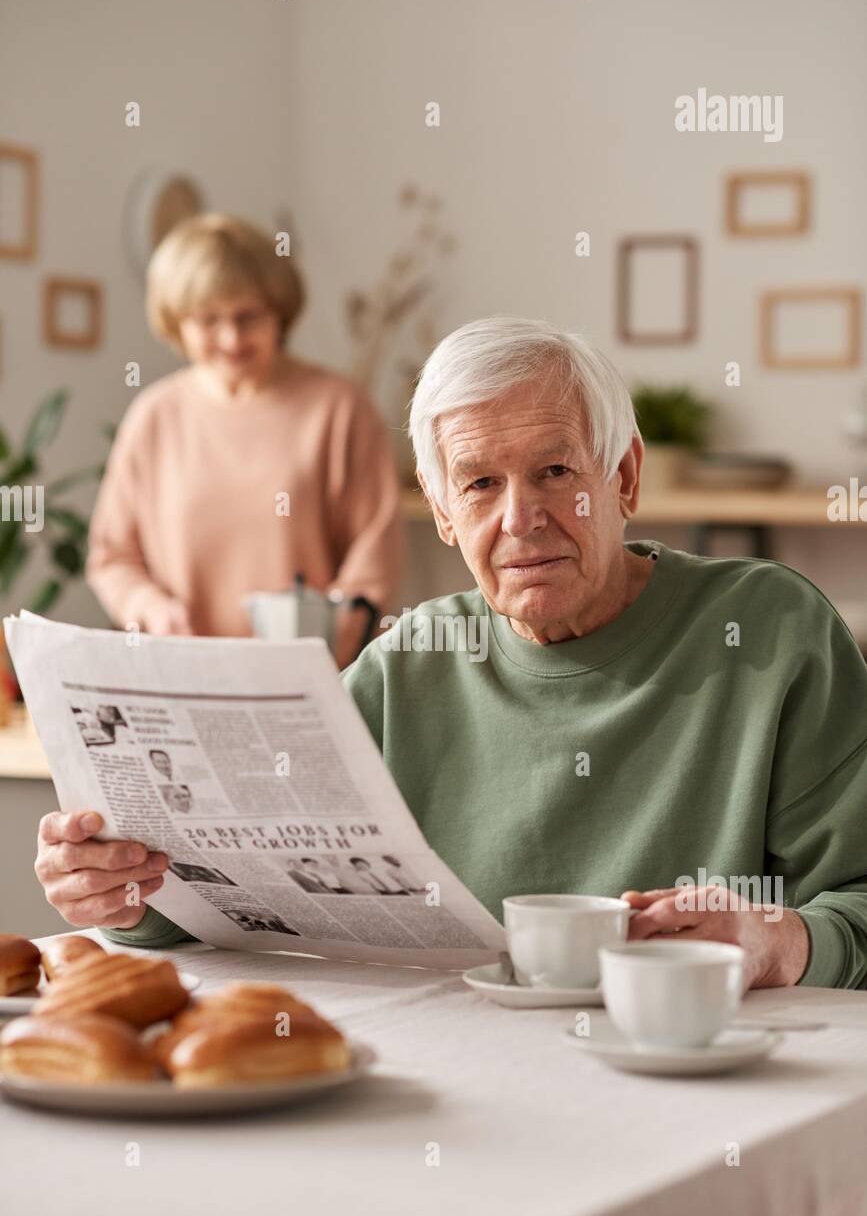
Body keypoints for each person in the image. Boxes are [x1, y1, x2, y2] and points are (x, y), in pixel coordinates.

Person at [35, 317, 867, 989]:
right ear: (440, 512)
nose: (520, 518)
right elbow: (226, 891)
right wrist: (121, 887)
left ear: (622, 478)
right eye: (478, 484)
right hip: (458, 1096)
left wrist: (781, 941)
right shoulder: (411, 661)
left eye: (552, 470)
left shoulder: (766, 630)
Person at [86, 213, 403, 667]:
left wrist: (322, 644)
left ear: (279, 312)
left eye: (248, 316)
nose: (231, 338)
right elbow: (112, 557)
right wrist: (150, 609)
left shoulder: (340, 409)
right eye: (209, 320)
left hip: (308, 679)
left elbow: (373, 558)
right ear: (176, 323)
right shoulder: (153, 416)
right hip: (181, 674)